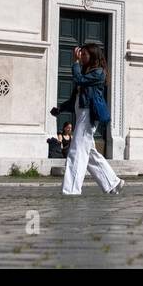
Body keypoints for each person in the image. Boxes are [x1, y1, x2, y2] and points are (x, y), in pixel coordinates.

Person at [51, 44, 123, 196]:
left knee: (76, 152)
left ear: (93, 56)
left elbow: (79, 80)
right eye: (80, 54)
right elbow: (74, 99)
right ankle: (113, 182)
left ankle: (71, 190)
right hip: (81, 116)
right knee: (89, 153)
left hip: (88, 117)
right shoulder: (85, 72)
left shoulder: (98, 73)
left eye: (84, 55)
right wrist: (60, 109)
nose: (81, 57)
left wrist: (75, 63)